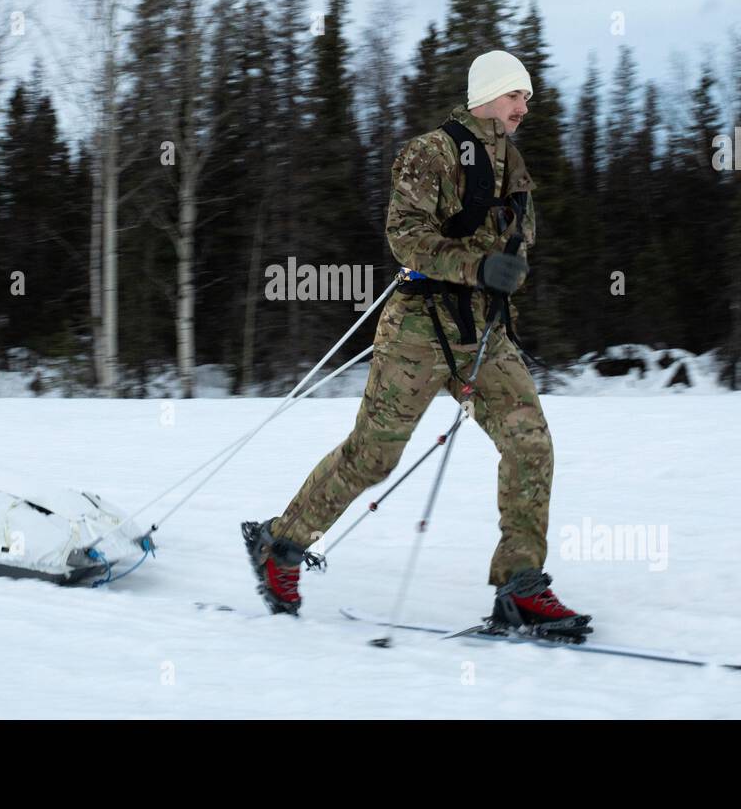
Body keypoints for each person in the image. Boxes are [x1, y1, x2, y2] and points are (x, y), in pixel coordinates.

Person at [243, 50, 590, 633]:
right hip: (418, 331)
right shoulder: (430, 152)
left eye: (527, 98)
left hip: (483, 332)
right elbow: (405, 237)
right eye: (516, 96)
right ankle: (280, 546)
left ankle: (521, 586)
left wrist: (509, 270)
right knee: (373, 456)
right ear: (488, 95)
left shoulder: (515, 166)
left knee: (530, 444)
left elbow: (519, 242)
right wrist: (478, 267)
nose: (524, 108)